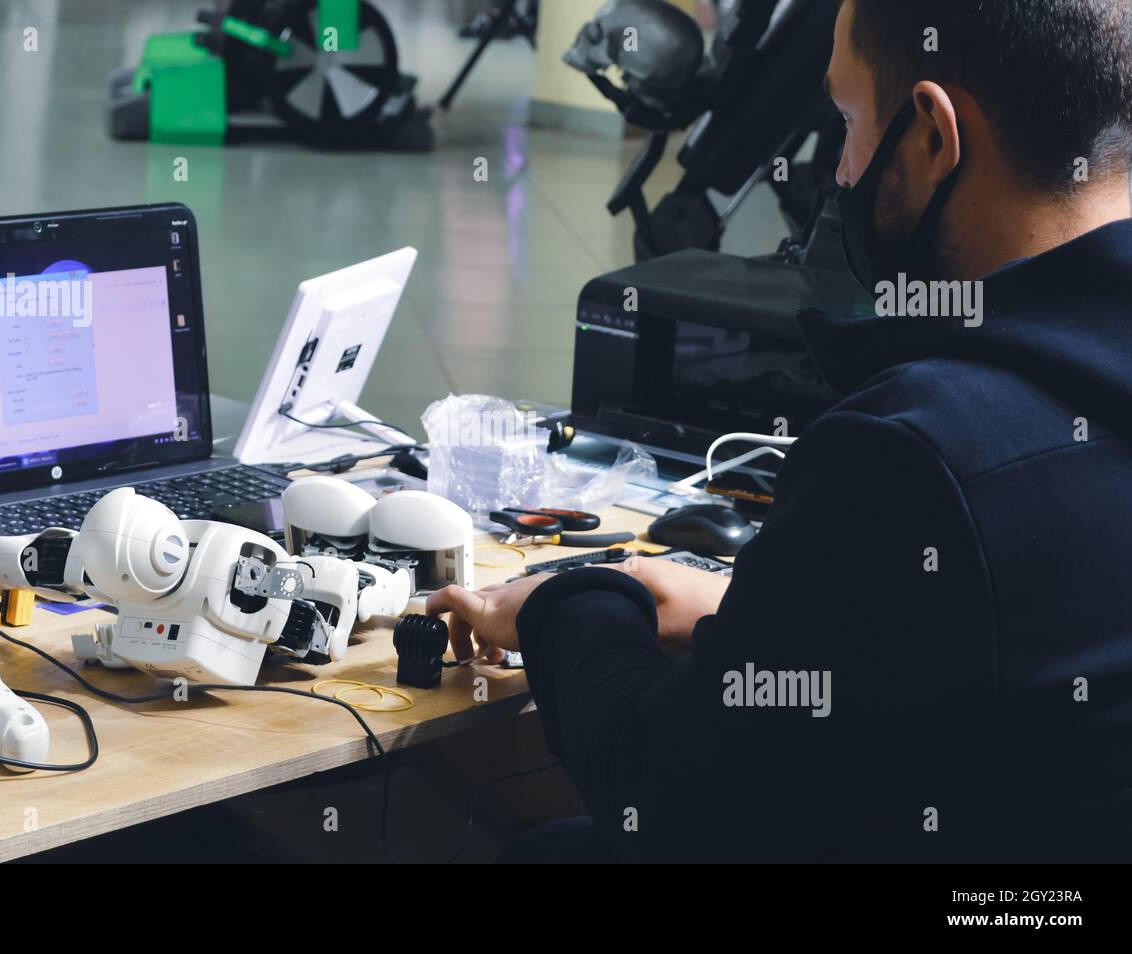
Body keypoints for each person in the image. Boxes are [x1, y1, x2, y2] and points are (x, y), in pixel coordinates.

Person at [428, 0, 1132, 862]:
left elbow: (665, 794)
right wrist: (758, 617)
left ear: (933, 137)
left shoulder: (917, 450)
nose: (838, 166)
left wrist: (571, 603)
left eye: (846, 121)